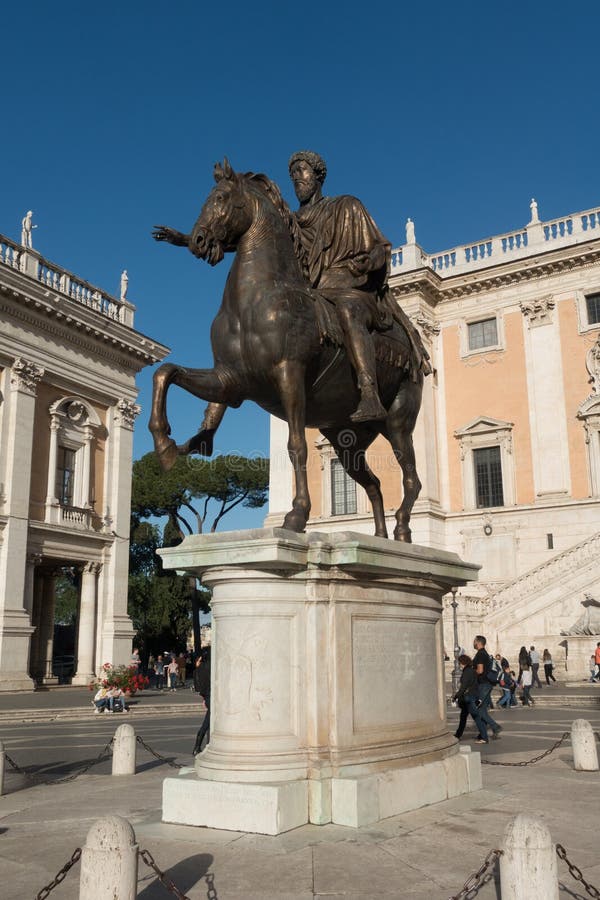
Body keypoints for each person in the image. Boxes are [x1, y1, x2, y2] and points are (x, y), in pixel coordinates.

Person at [288, 149, 430, 424]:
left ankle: (369, 392)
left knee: (348, 312)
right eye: (292, 174)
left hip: (349, 288)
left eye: (301, 171)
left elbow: (379, 247)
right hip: (313, 293)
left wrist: (368, 262)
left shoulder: (347, 206)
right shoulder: (291, 224)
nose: (296, 178)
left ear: (317, 176)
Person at [471, 635, 502, 744]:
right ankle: (483, 736)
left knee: (478, 709)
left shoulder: (480, 654)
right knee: (482, 709)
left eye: (474, 641)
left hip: (483, 685)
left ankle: (495, 726)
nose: (473, 643)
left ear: (478, 642)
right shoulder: (485, 654)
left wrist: (470, 672)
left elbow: (480, 670)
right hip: (487, 684)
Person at [452, 655, 481, 740]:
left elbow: (463, 687)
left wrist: (456, 696)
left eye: (459, 663)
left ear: (462, 663)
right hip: (471, 696)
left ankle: (486, 731)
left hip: (468, 698)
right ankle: (458, 734)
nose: (459, 665)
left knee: (474, 717)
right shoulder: (471, 670)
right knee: (464, 717)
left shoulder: (467, 672)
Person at [192, 651, 211, 755]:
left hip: (207, 696)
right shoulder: (211, 666)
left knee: (208, 722)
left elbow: (198, 687)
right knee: (207, 723)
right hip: (212, 696)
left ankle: (198, 747)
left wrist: (204, 697)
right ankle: (198, 747)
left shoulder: (199, 669)